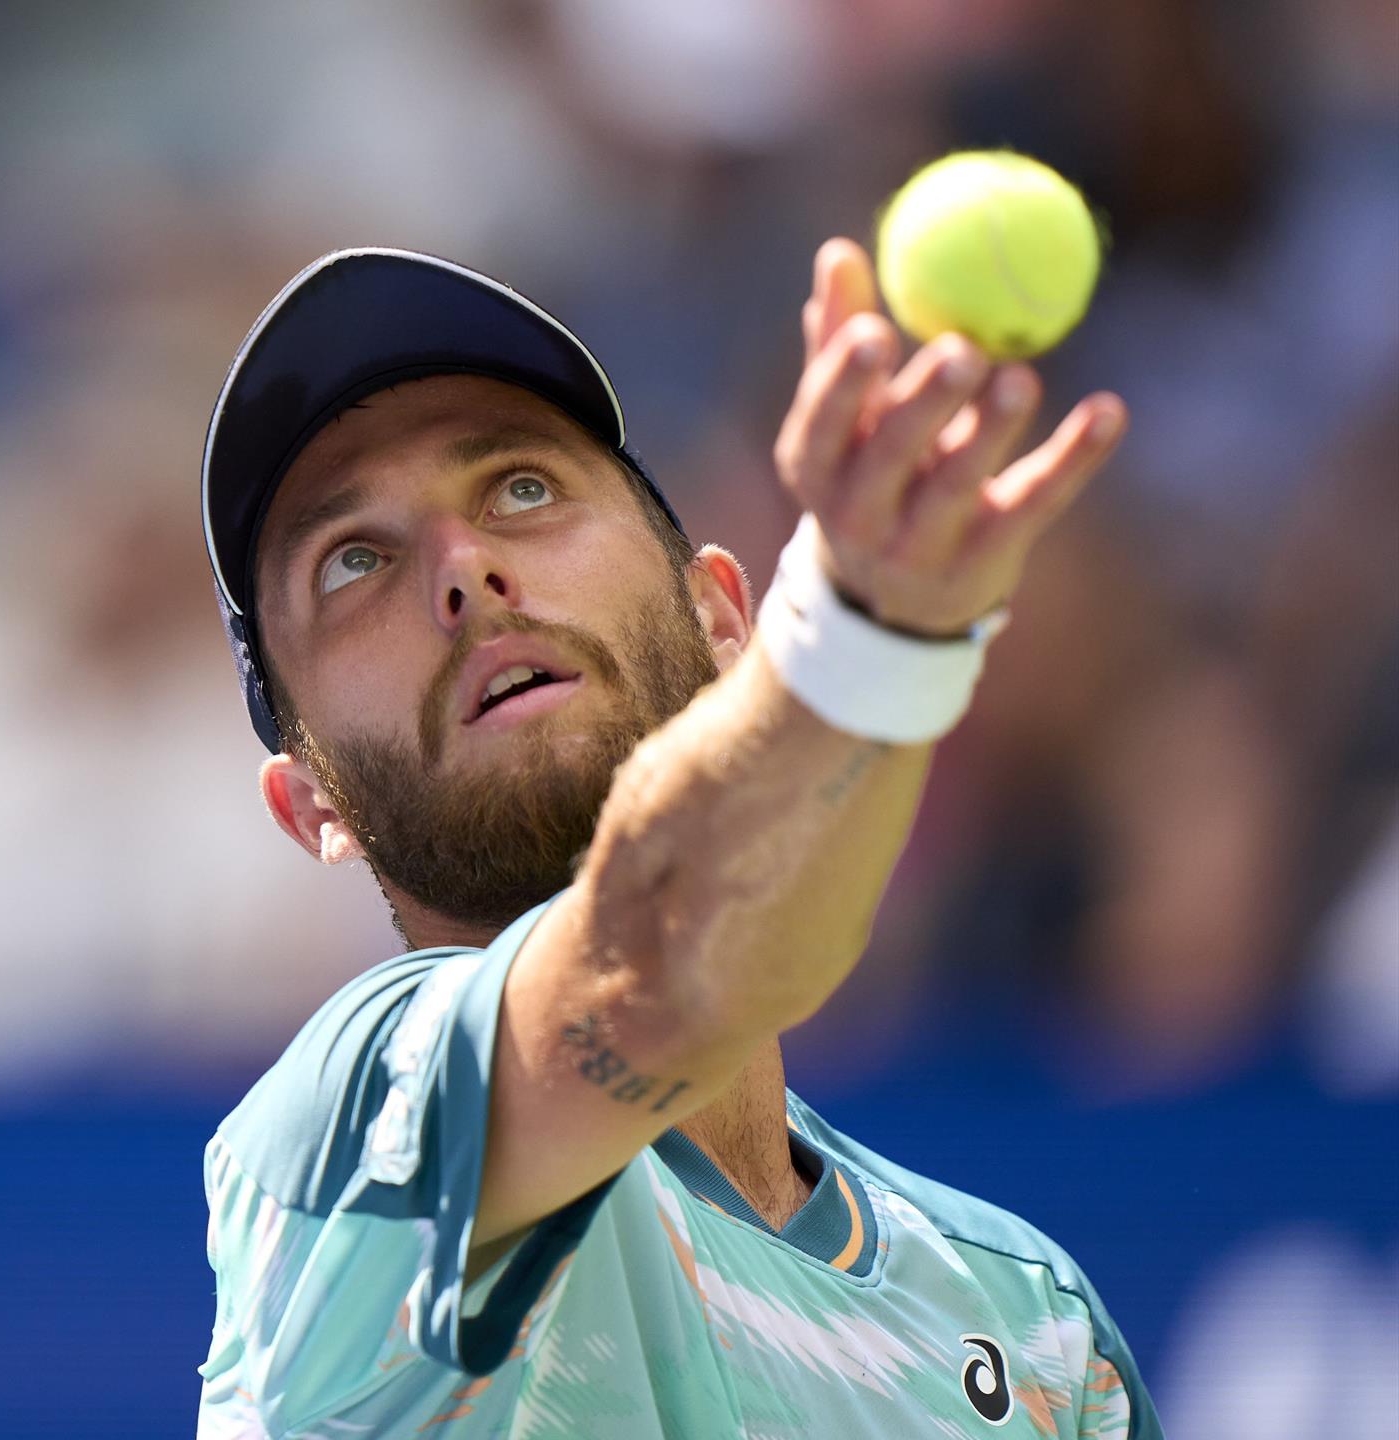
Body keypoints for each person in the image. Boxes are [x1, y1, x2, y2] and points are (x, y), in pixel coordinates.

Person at [194, 243, 1161, 1437]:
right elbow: (670, 969)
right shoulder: (354, 1132)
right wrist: (862, 643)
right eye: (353, 560)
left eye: (522, 488)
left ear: (718, 618)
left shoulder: (1035, 1327)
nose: (464, 570)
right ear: (312, 808)